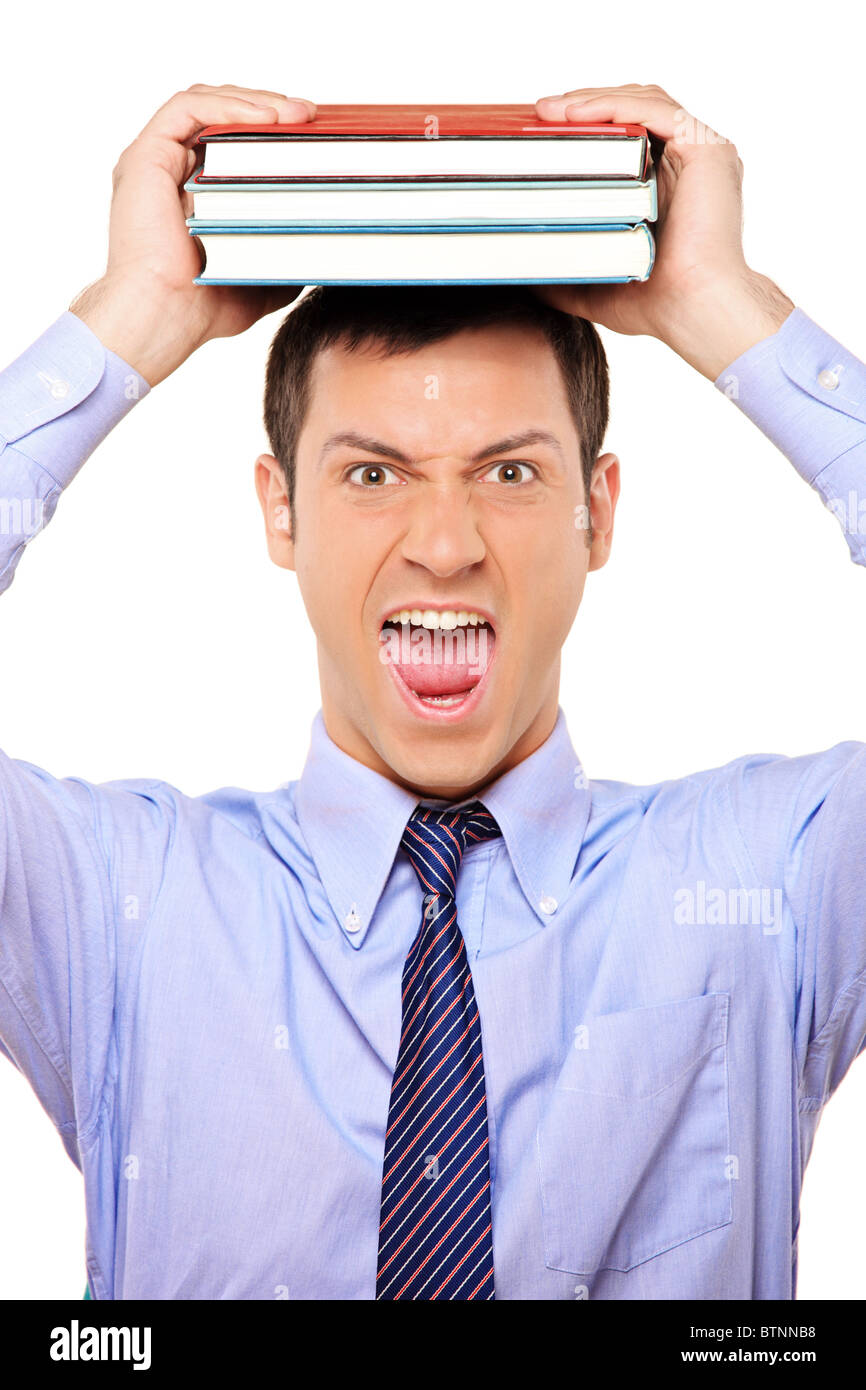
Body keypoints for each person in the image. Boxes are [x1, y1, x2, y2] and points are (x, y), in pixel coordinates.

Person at [1, 81, 863, 1301]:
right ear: (278, 510)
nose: (444, 543)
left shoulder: (770, 882)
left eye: (510, 470)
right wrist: (133, 313)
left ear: (596, 512)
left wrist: (719, 309)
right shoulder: (110, 906)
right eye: (372, 474)